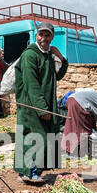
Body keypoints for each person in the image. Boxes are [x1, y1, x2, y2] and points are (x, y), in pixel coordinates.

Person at [14, 24, 68, 184]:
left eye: (47, 35)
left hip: (44, 104)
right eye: (41, 35)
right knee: (35, 137)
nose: (44, 38)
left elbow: (56, 77)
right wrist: (41, 109)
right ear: (36, 36)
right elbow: (32, 84)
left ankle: (30, 172)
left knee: (43, 137)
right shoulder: (30, 55)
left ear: (52, 38)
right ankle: (29, 173)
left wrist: (62, 59)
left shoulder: (47, 56)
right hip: (31, 105)